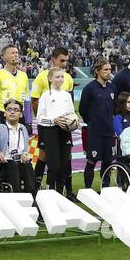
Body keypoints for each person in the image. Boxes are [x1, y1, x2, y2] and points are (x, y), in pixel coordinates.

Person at [35, 64, 77, 196]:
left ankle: (60, 193)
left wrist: (74, 120)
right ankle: (49, 192)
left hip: (65, 131)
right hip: (50, 131)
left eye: (62, 77)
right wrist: (54, 120)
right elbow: (39, 119)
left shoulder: (67, 95)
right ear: (50, 79)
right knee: (54, 165)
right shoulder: (45, 96)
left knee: (64, 165)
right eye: (57, 77)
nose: (60, 79)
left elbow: (71, 113)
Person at [78, 60, 116, 190]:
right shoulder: (89, 89)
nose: (108, 72)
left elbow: (114, 108)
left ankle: (105, 189)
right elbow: (83, 109)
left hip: (109, 132)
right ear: (97, 71)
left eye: (110, 69)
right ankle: (88, 189)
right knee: (91, 161)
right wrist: (93, 122)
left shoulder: (112, 87)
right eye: (105, 69)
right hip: (95, 133)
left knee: (108, 162)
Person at [0, 100, 35, 195]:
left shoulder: (23, 128)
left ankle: (32, 197)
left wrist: (24, 154)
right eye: (9, 109)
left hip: (20, 163)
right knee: (13, 164)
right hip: (4, 164)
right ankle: (16, 196)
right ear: (5, 113)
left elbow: (25, 150)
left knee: (27, 165)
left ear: (21, 114)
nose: (12, 112)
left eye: (16, 110)